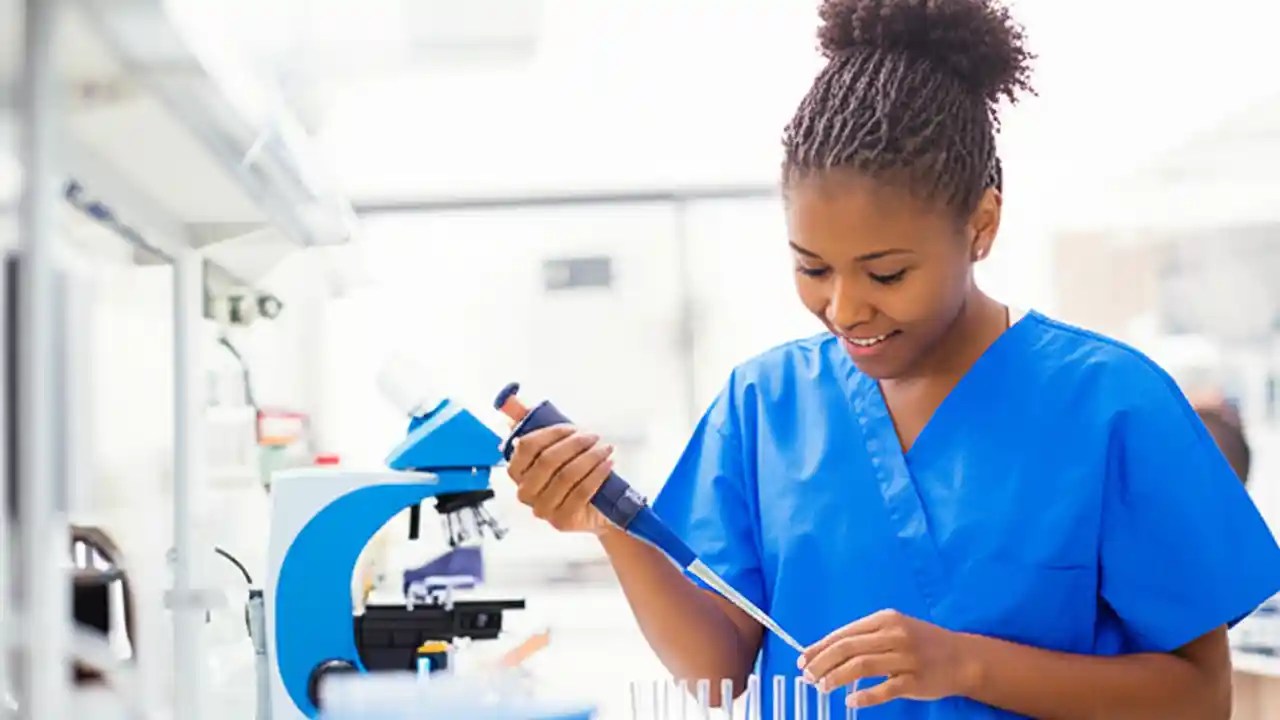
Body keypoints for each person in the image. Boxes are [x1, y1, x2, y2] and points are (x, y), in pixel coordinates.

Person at [504, 0, 1280, 717]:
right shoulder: (765, 404)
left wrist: (966, 665)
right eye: (812, 269)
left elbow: (1200, 695)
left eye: (886, 274)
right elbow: (719, 663)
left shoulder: (1111, 405)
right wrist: (612, 526)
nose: (845, 309)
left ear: (981, 224)